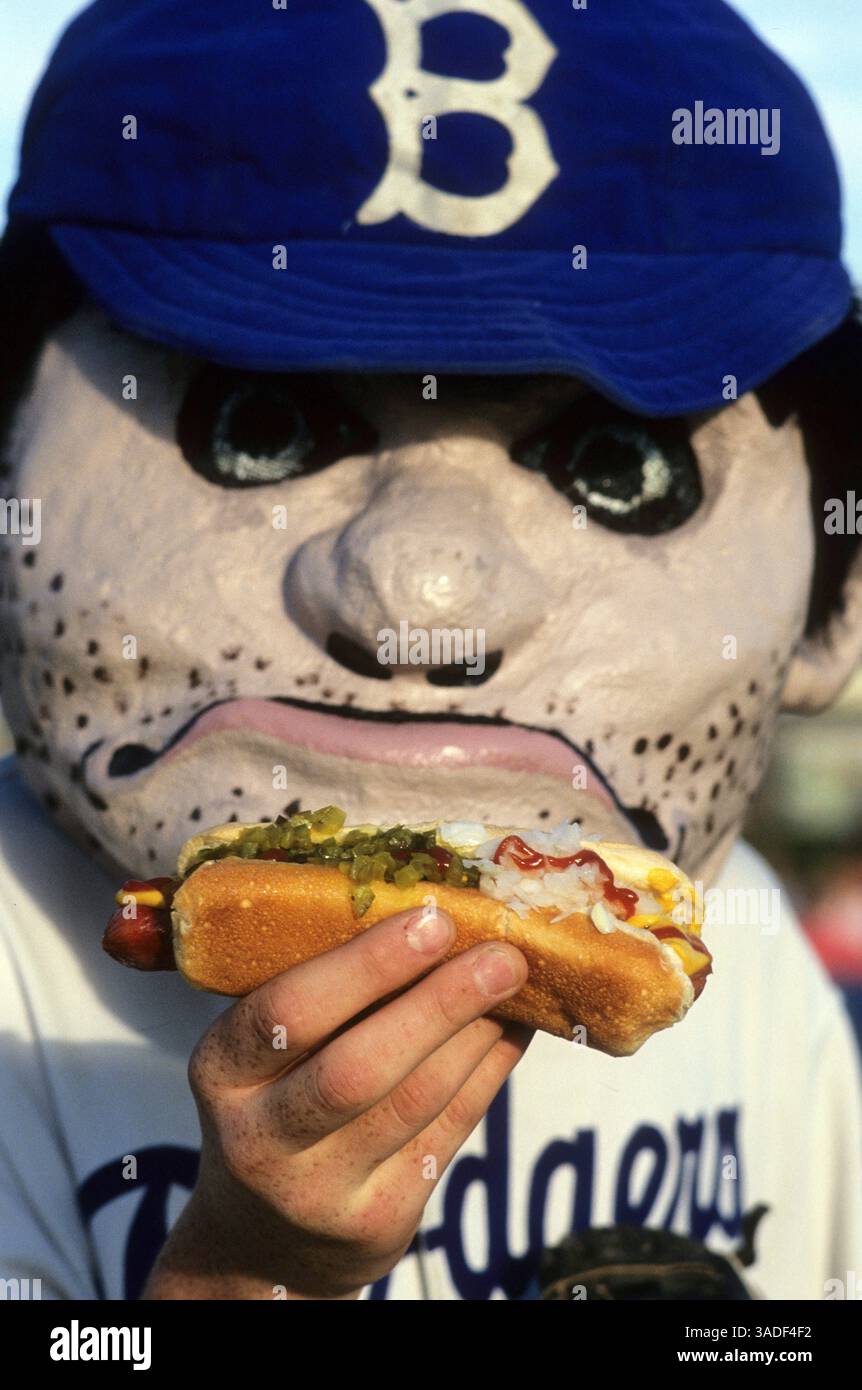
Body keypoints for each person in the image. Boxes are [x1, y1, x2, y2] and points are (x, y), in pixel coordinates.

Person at [0, 0, 860, 1301]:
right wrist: (234, 1283)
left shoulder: (744, 965)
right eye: (257, 421)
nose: (420, 590)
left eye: (618, 466)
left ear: (830, 606)